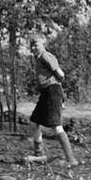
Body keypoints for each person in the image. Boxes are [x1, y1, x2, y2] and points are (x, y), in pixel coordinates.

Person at [27, 37, 78, 166]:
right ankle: (39, 155)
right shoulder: (38, 58)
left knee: (56, 126)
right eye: (31, 45)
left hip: (52, 92)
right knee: (34, 123)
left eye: (36, 44)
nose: (33, 47)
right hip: (46, 93)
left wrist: (58, 93)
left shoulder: (45, 56)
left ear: (43, 44)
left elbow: (60, 74)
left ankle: (71, 159)